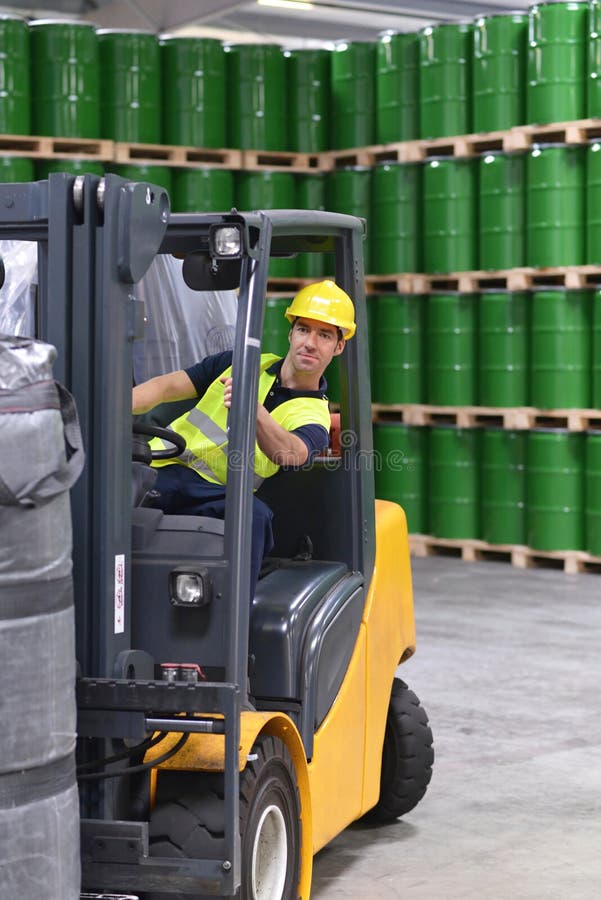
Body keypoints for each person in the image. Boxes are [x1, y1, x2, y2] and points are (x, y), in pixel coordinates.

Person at [132, 280, 356, 599]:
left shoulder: (313, 415)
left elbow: (289, 453)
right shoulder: (240, 362)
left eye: (325, 335)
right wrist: (111, 407)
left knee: (256, 517)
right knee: (114, 495)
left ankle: (233, 629)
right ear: (291, 332)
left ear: (338, 346)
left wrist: (253, 408)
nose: (311, 343)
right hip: (164, 467)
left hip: (219, 494)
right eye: (305, 329)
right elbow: (164, 388)